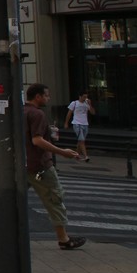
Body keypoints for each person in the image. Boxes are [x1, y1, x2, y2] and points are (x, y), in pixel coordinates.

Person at [24, 83, 86, 250]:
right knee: (54, 199)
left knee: (12, 200)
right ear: (37, 97)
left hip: (23, 164)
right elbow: (36, 140)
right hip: (40, 166)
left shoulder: (22, 112)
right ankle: (64, 239)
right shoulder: (38, 114)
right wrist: (62, 151)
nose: (48, 98)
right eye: (46, 95)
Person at [65, 91, 94, 162]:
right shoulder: (74, 103)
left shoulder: (86, 104)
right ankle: (85, 156)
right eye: (84, 97)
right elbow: (69, 113)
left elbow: (93, 112)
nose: (85, 98)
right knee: (82, 140)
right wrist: (66, 123)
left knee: (80, 140)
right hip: (76, 123)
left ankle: (76, 154)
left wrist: (90, 104)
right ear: (80, 96)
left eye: (86, 97)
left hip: (85, 124)